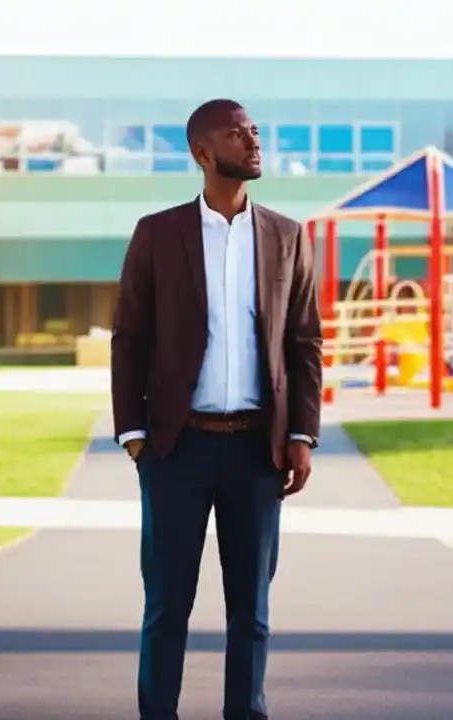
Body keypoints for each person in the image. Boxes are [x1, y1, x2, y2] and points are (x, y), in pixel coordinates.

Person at [110, 99, 322, 720]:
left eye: (254, 129)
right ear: (203, 153)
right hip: (176, 449)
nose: (253, 139)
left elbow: (304, 342)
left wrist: (303, 434)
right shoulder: (157, 233)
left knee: (250, 610)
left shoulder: (287, 235)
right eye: (237, 132)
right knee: (167, 606)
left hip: (258, 451)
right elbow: (130, 339)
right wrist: (135, 437)